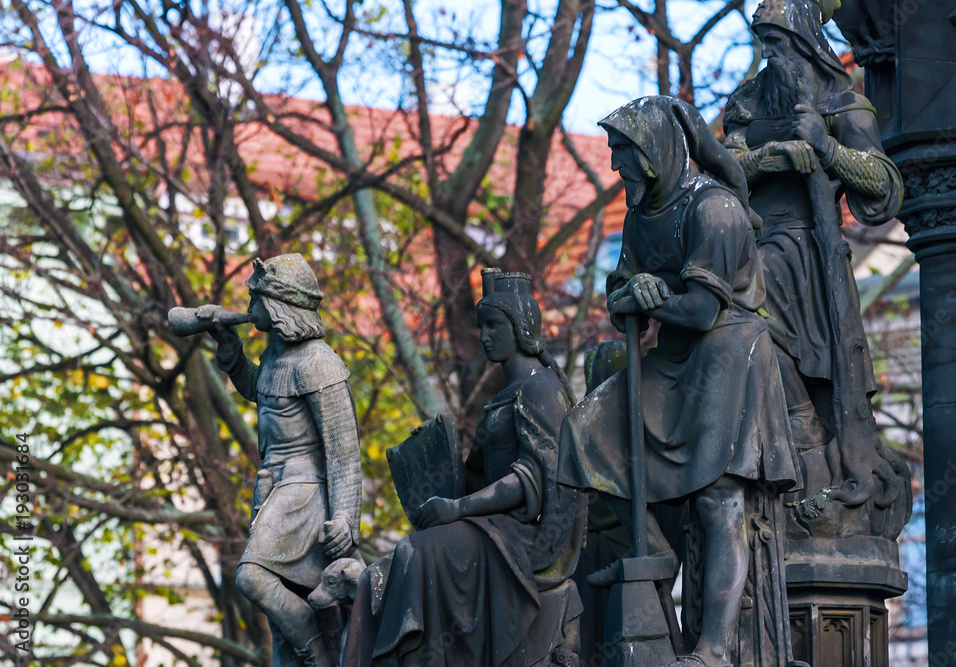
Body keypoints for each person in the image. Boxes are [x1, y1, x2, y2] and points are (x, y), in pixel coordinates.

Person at [558, 96, 798, 667]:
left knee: (720, 505)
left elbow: (700, 311)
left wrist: (652, 297)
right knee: (583, 436)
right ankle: (656, 557)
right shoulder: (639, 212)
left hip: (727, 355)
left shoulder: (714, 210)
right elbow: (619, 297)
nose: (615, 166)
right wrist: (629, 299)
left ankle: (713, 648)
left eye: (622, 152)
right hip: (671, 359)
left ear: (655, 151)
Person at [722, 0, 907, 528]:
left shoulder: (844, 101)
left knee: (748, 302)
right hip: (752, 243)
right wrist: (771, 157)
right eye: (763, 42)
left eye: (777, 41)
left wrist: (828, 149)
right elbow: (725, 165)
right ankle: (781, 438)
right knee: (732, 312)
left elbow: (884, 183)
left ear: (803, 41)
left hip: (806, 252)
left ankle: (809, 437)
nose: (769, 52)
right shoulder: (750, 100)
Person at [344, 271, 585, 667]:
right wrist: (429, 466)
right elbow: (476, 477)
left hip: (523, 537)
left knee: (412, 552)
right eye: (480, 327)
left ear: (521, 328)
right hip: (493, 526)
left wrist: (458, 509)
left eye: (494, 325)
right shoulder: (504, 396)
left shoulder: (540, 387)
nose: (484, 336)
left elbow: (535, 479)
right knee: (378, 576)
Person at [203, 254, 362, 667]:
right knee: (280, 620)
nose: (249, 308)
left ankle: (319, 652)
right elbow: (260, 391)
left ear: (276, 305)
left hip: (304, 492)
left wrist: (346, 519)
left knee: (251, 577)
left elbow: (344, 451)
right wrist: (229, 347)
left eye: (255, 299)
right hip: (273, 488)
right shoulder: (276, 356)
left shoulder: (318, 362)